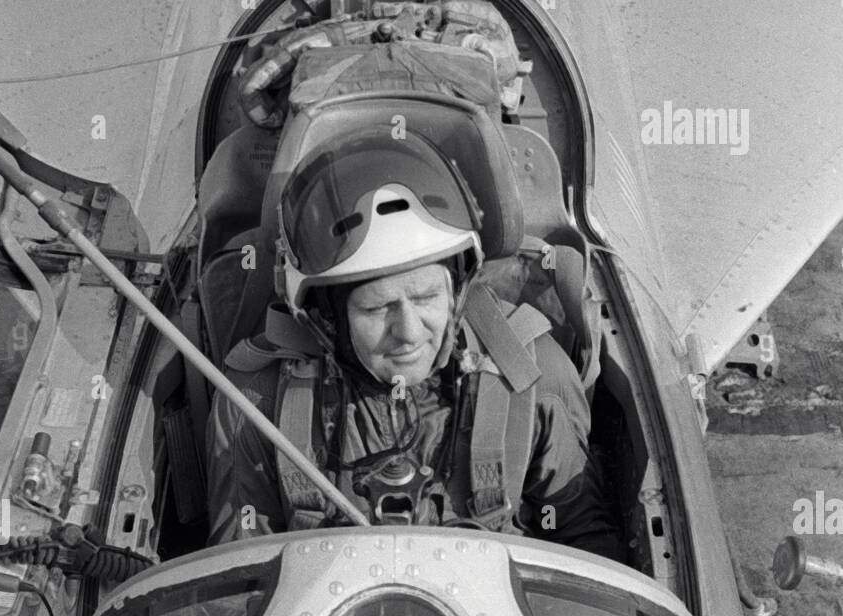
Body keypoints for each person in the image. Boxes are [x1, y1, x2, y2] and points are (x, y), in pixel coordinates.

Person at [206, 131, 622, 554]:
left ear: (459, 291)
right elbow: (238, 578)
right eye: (376, 308)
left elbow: (581, 540)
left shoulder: (533, 377)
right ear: (325, 317)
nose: (408, 331)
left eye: (426, 297)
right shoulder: (255, 402)